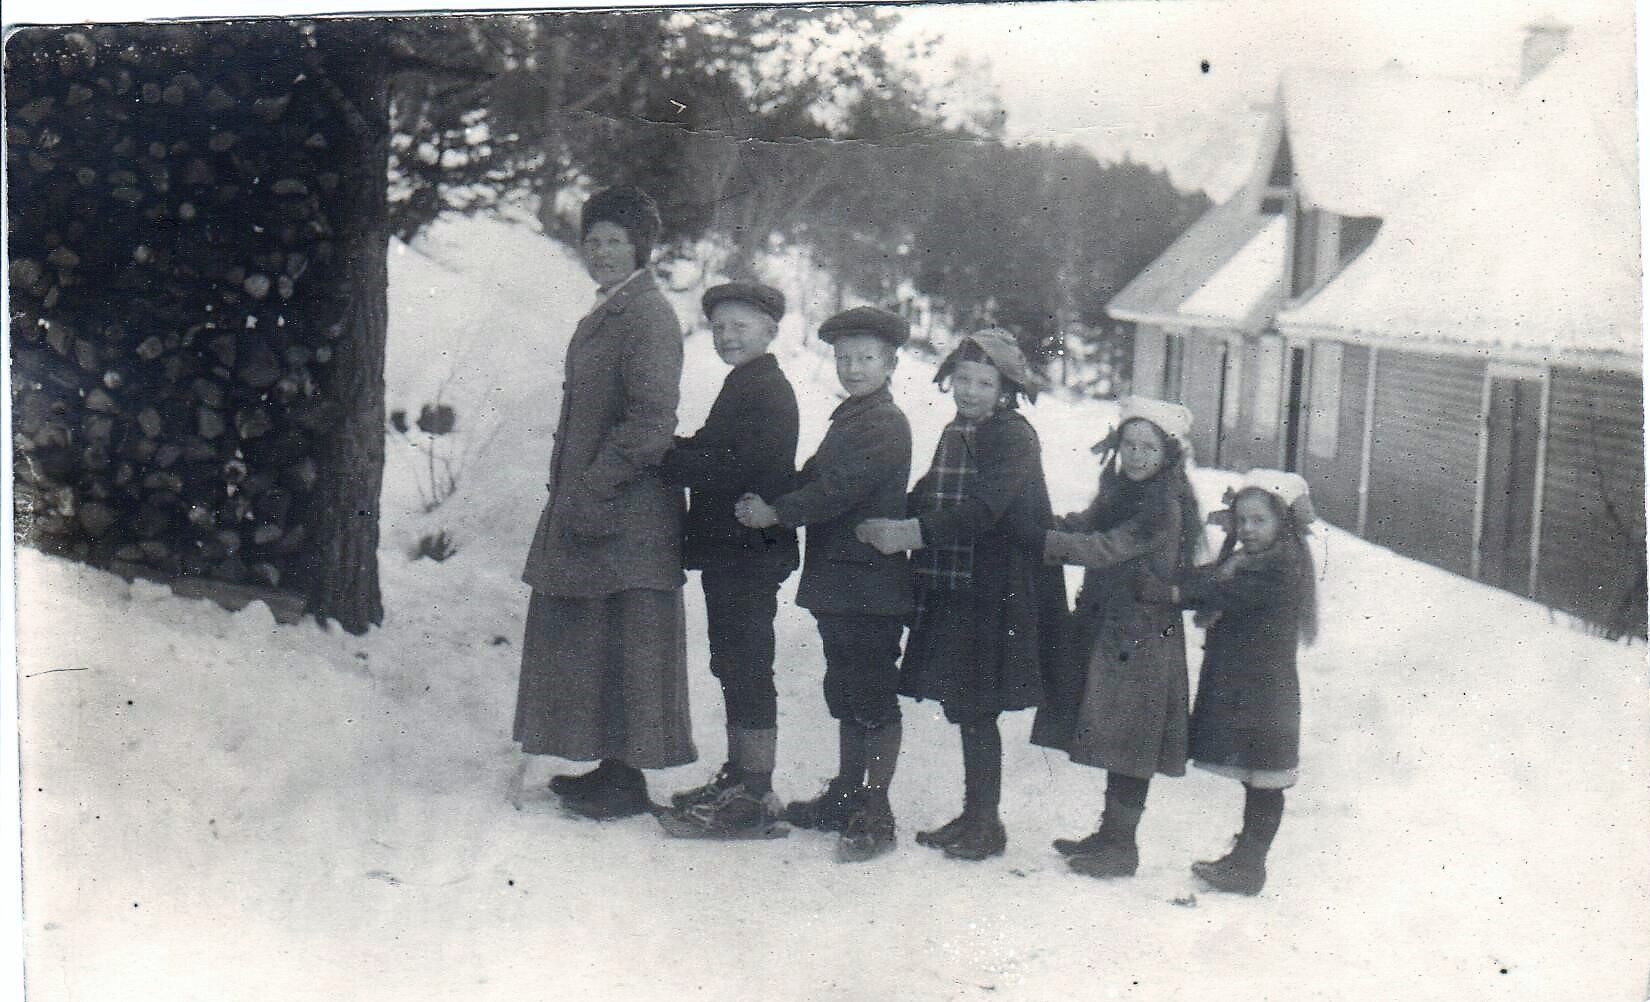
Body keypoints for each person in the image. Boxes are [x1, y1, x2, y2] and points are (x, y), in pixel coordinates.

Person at [514, 185, 693, 821]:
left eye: (615, 241)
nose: (602, 252)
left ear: (640, 246)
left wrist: (592, 483)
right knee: (601, 635)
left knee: (627, 635)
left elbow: (652, 422)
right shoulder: (613, 309)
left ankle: (625, 779)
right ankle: (610, 770)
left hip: (625, 508)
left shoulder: (647, 316)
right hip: (603, 505)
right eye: (592, 241)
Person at [855, 330, 1067, 862]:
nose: (970, 391)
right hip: (960, 583)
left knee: (977, 705)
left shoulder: (1013, 436)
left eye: (984, 383)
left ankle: (985, 823)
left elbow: (983, 509)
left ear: (1006, 388)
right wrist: (889, 511)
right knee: (966, 704)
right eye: (963, 380)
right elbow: (933, 492)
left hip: (998, 589)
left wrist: (909, 533)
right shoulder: (958, 430)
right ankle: (976, 817)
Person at [735, 306, 913, 862]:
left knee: (872, 691)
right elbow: (813, 474)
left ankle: (874, 808)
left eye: (866, 359)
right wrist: (768, 493)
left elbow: (838, 489)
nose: (853, 368)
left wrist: (776, 513)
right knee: (846, 686)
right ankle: (845, 793)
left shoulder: (885, 423)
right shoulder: (853, 416)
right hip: (841, 581)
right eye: (844, 358)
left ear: (890, 363)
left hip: (871, 582)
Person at [1033, 396, 1204, 879]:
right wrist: (1050, 524)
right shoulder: (1120, 492)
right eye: (1129, 444)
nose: (1136, 456)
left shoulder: (1162, 507)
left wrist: (1045, 543)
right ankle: (1110, 835)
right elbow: (1087, 526)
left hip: (1145, 638)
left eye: (1148, 447)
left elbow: (1106, 547)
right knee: (1120, 736)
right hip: (1118, 635)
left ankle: (1122, 847)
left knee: (1133, 742)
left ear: (1167, 454)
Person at [655, 281, 800, 839]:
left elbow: (732, 463)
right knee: (734, 662)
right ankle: (742, 776)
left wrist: (668, 460)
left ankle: (755, 791)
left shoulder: (768, 389)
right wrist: (679, 450)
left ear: (770, 330)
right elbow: (717, 445)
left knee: (746, 664)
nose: (727, 336)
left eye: (741, 326)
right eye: (719, 328)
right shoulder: (746, 383)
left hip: (749, 552)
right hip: (733, 551)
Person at [1138, 469, 1318, 895]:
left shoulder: (1280, 565)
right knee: (1257, 777)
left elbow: (1229, 594)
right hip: (1250, 686)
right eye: (1241, 521)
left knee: (1266, 779)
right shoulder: (1250, 560)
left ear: (1283, 523)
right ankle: (1245, 859)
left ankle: (1251, 865)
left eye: (1259, 521)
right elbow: (1212, 579)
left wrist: (1172, 594)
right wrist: (1179, 580)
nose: (1248, 530)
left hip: (1265, 690)